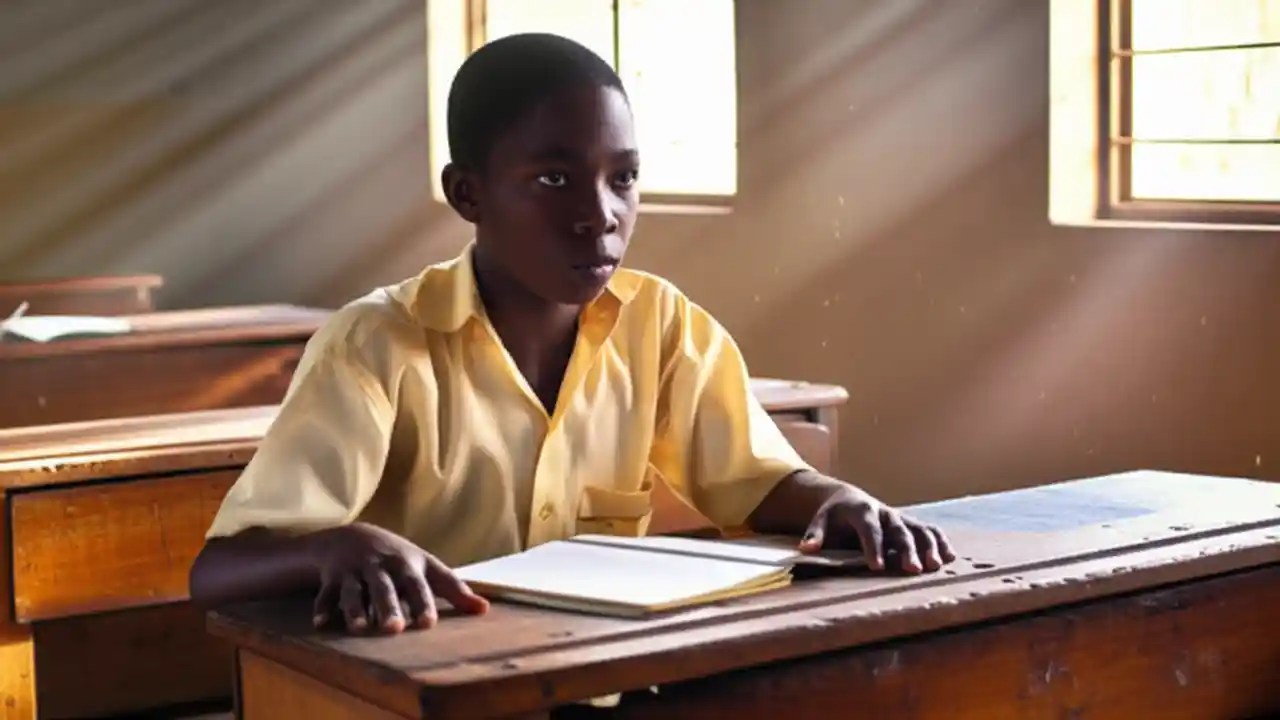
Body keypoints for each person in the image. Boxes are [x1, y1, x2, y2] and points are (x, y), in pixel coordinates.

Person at [189, 33, 955, 635]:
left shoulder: (661, 324)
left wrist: (838, 500)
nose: (601, 214)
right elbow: (217, 572)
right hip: (429, 684)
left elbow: (758, 483)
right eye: (554, 180)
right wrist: (333, 545)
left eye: (622, 177)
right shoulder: (376, 347)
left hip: (599, 674)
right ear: (468, 194)